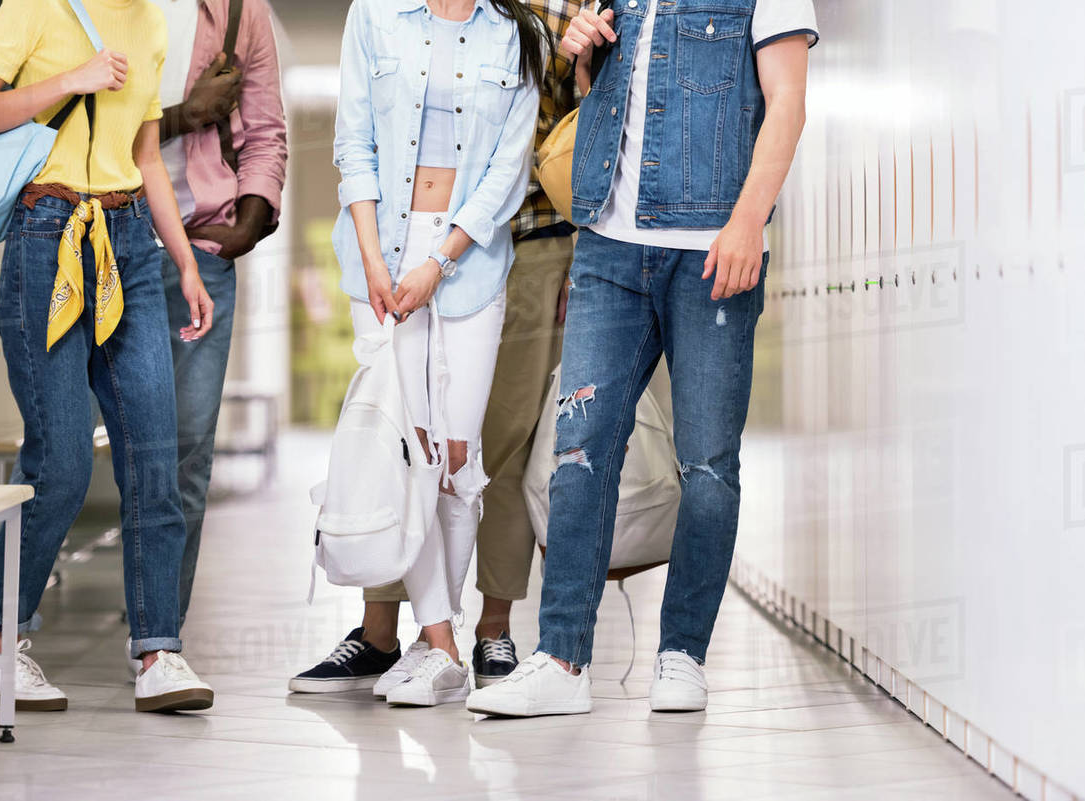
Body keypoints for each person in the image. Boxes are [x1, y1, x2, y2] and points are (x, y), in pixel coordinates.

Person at [467, 0, 818, 717]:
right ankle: (561, 656)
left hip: (712, 249)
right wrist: (584, 48)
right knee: (579, 449)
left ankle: (682, 652)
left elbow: (787, 100)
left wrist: (749, 220)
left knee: (709, 463)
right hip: (607, 247)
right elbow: (611, 94)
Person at [290, 0, 580, 697]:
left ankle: (445, 642)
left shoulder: (518, 31)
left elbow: (511, 168)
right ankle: (440, 640)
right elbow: (353, 142)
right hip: (380, 253)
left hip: (476, 254)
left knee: (458, 456)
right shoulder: (377, 16)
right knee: (408, 446)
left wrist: (438, 262)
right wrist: (373, 262)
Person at [0, 0, 217, 713]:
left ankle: (158, 649)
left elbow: (143, 156)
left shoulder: (152, 23)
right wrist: (74, 78)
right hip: (46, 237)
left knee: (157, 451)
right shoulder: (36, 8)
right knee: (63, 461)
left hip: (129, 243)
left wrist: (185, 262)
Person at [125, 0, 287, 672]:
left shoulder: (242, 9)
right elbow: (66, 123)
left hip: (201, 251)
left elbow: (267, 130)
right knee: (65, 445)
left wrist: (253, 217)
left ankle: (157, 644)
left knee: (185, 455)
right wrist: (181, 116)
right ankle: (4, 631)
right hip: (103, 244)